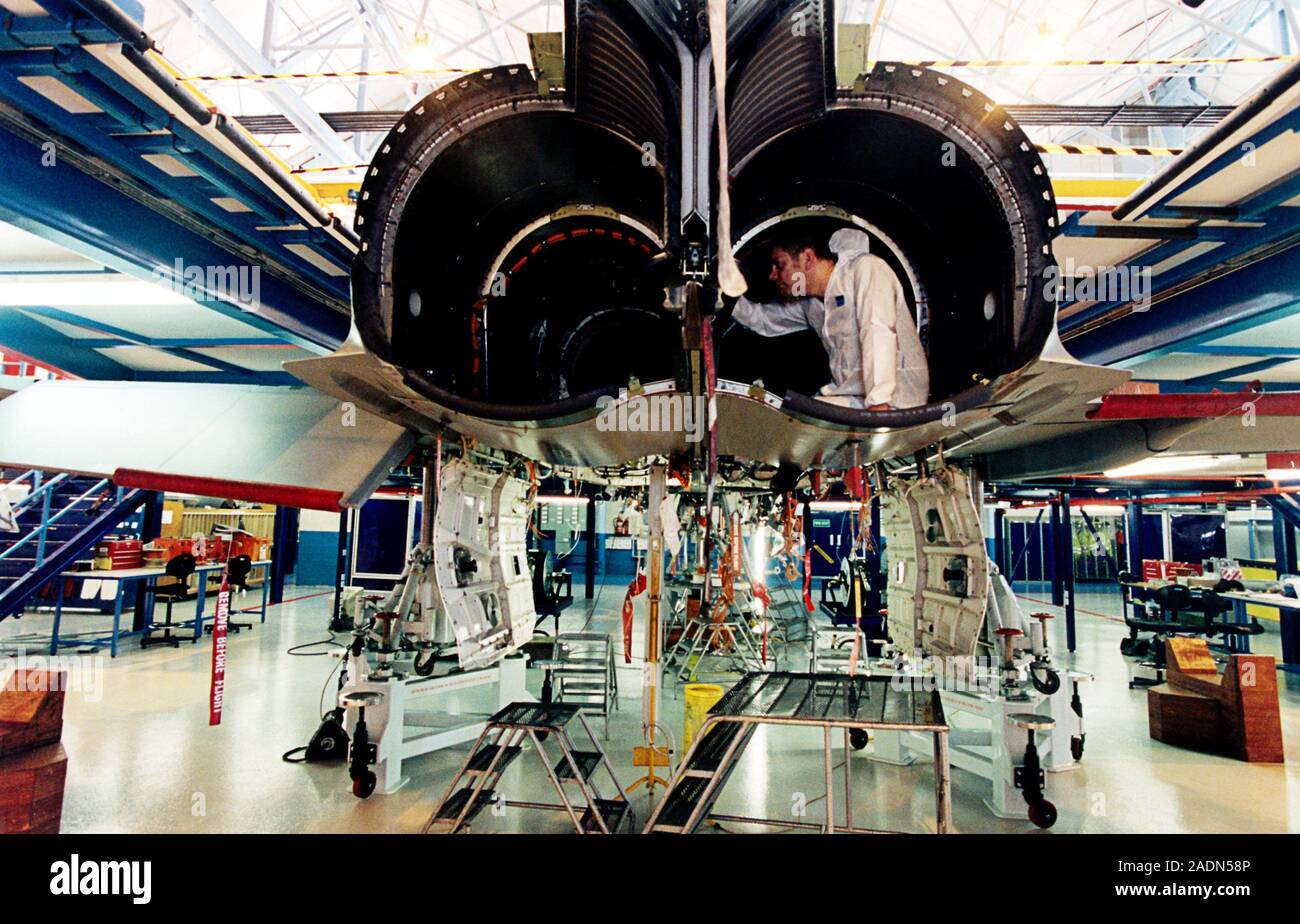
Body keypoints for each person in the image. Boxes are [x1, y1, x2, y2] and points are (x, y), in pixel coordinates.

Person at [738, 226, 929, 410]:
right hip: (851, 399)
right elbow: (762, 320)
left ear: (807, 258)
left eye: (780, 265)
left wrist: (878, 405)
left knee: (798, 422)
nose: (772, 275)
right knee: (788, 419)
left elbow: (877, 331)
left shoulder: (865, 269)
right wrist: (725, 295)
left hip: (896, 403)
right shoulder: (811, 303)